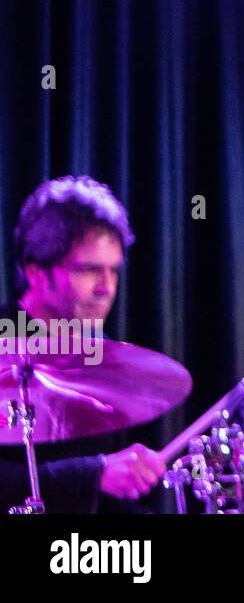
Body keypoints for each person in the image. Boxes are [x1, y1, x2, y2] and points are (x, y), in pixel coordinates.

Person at [0, 176, 166, 513]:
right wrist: (92, 475)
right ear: (36, 273)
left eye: (113, 271)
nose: (107, 288)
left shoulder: (102, 357)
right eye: (90, 270)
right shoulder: (5, 340)